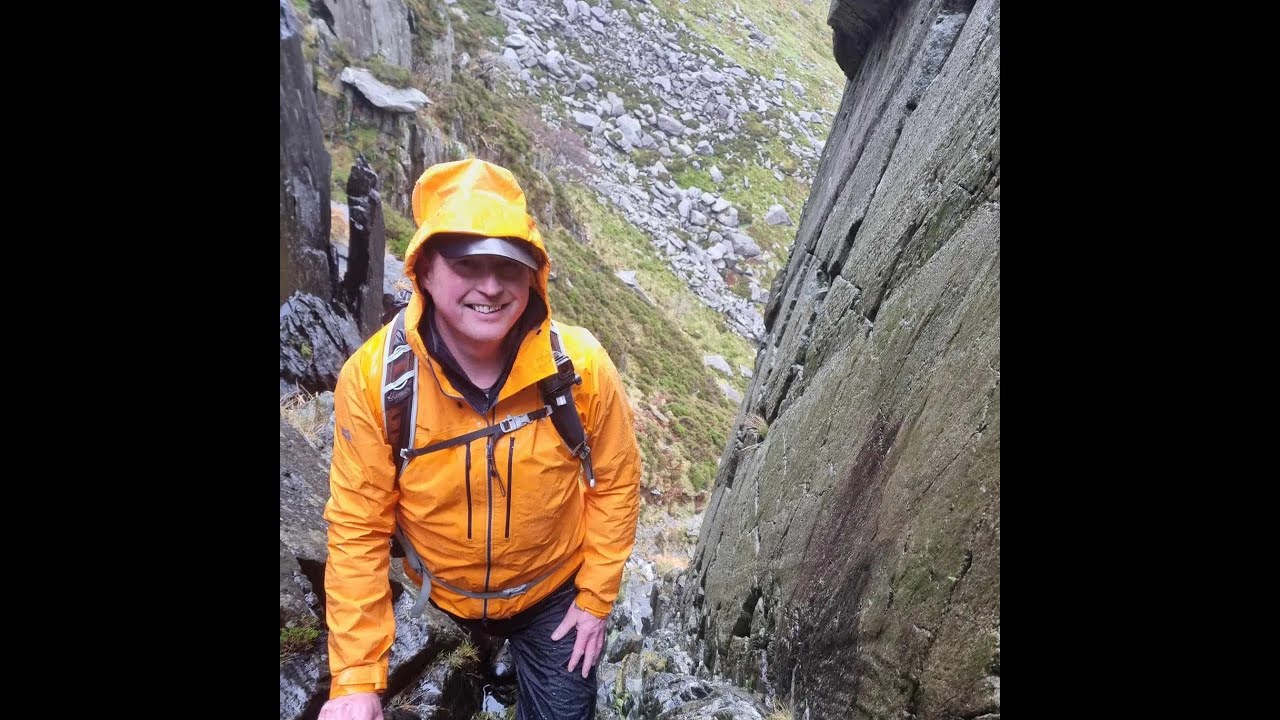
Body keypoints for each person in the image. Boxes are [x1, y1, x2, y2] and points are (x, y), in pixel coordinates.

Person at [318, 158, 641, 720]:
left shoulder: (580, 366)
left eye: (508, 266)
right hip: (438, 596)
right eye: (468, 264)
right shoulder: (376, 379)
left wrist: (594, 599)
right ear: (423, 271)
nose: (490, 287)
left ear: (533, 276)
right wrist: (355, 680)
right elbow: (358, 525)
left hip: (552, 594)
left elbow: (615, 481)